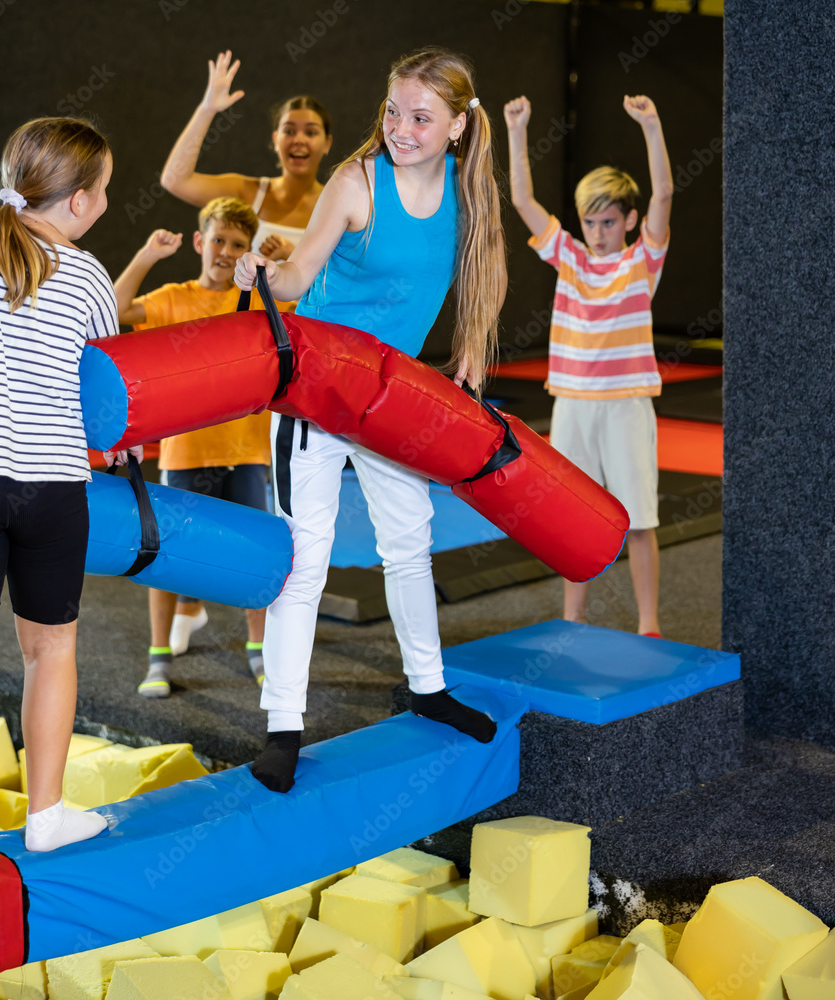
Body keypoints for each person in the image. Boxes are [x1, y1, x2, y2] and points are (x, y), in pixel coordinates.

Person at [235, 47, 507, 793]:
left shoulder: (467, 191)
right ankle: (283, 725)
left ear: (456, 125)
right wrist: (262, 272)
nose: (400, 128)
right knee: (305, 557)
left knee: (409, 541)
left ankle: (428, 686)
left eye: (420, 116)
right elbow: (297, 274)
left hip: (392, 399)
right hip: (316, 391)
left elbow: (481, 277)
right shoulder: (356, 182)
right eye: (392, 111)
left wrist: (470, 358)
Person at [0, 117, 120, 858]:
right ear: (78, 202)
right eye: (105, 189)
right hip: (50, 490)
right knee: (52, 650)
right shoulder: (88, 277)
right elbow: (109, 397)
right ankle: (46, 815)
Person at [504, 94, 674, 637]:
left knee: (640, 519)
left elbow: (665, 192)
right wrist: (517, 129)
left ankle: (649, 623)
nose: (597, 232)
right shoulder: (569, 257)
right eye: (589, 222)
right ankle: (572, 619)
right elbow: (522, 197)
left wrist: (651, 126)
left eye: (607, 221)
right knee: (575, 519)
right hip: (573, 403)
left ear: (628, 220)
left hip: (626, 406)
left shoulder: (641, 260)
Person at [113, 197, 274, 695]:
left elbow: (314, 308)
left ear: (248, 250)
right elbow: (116, 309)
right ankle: (158, 657)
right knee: (162, 553)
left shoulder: (262, 296)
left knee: (256, 555)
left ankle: (260, 650)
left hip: (247, 450)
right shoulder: (174, 298)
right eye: (219, 241)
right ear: (201, 242)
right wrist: (146, 254)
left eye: (238, 244)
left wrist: (283, 262)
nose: (226, 252)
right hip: (186, 453)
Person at [160, 50, 333, 264]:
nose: (299, 139)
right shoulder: (249, 192)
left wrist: (292, 255)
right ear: (275, 140)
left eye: (311, 132)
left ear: (327, 143)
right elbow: (175, 180)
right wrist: (207, 109)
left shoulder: (335, 203)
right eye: (289, 131)